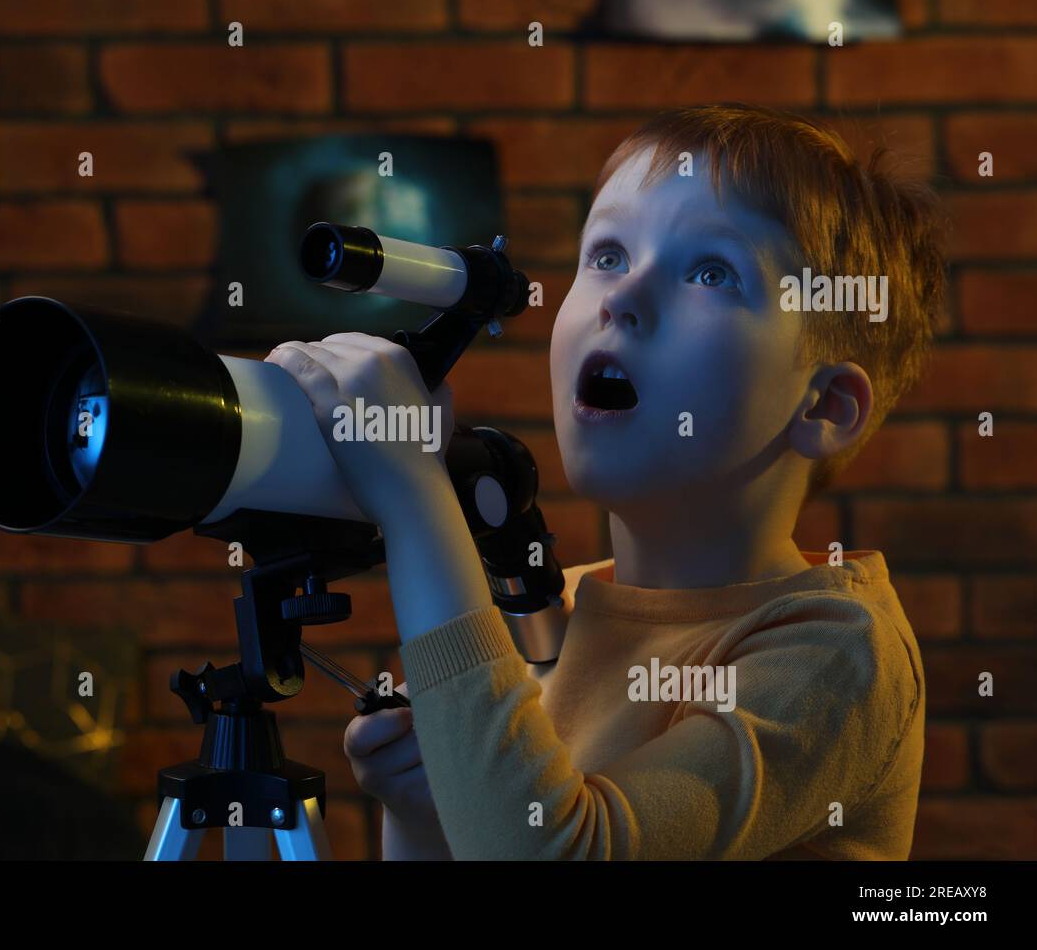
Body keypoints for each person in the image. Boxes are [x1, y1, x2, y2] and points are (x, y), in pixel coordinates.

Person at [265, 103, 944, 860]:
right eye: (609, 255)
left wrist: (413, 497)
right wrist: (425, 807)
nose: (622, 296)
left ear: (822, 406)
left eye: (712, 273)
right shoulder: (548, 619)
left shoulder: (838, 654)